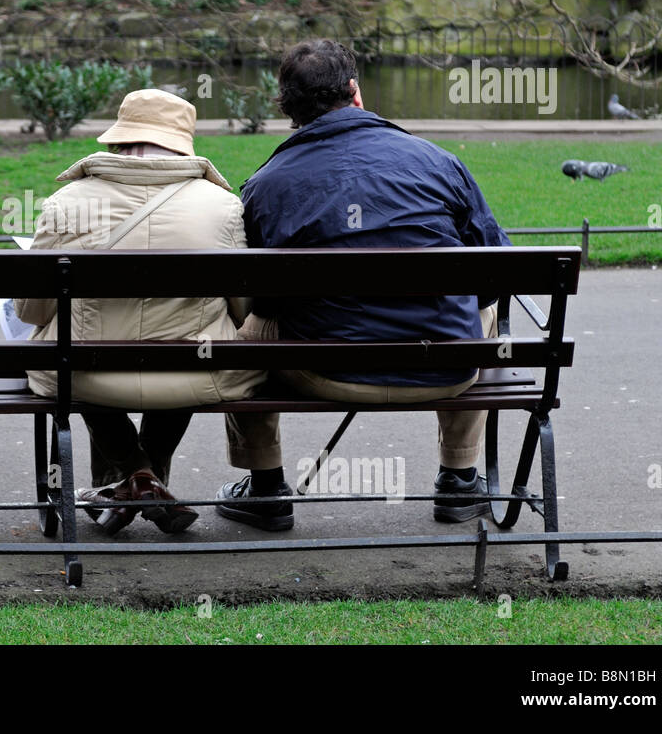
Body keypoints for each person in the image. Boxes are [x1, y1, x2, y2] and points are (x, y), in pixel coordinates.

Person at [216, 39, 511, 531]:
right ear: (355, 91)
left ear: (288, 108)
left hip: (324, 366)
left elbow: (260, 299)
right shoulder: (438, 162)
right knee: (481, 314)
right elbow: (493, 274)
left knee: (245, 332)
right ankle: (459, 478)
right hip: (444, 364)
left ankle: (266, 487)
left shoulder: (266, 184)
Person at [15, 88, 265, 535]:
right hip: (194, 374)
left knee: (76, 354)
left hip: (86, 373)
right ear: (181, 143)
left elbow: (34, 312)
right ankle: (147, 480)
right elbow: (242, 309)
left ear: (119, 139)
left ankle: (130, 479)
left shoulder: (67, 203)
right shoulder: (223, 207)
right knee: (191, 345)